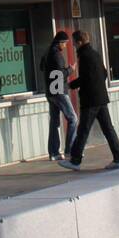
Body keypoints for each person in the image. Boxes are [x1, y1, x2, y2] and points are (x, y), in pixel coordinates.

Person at [58, 29, 119, 171]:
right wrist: (98, 85)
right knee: (108, 129)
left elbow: (85, 78)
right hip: (101, 98)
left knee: (83, 130)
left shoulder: (84, 56)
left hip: (90, 100)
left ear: (80, 42)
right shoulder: (95, 54)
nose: (74, 46)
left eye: (75, 43)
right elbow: (104, 73)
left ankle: (75, 161)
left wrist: (70, 85)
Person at [40, 31, 77, 161]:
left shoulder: (47, 53)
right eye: (65, 43)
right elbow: (59, 75)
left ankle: (54, 152)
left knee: (54, 122)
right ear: (60, 43)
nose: (66, 46)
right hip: (59, 91)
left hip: (50, 92)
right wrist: (70, 70)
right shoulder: (57, 55)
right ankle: (70, 150)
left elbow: (41, 68)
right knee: (73, 119)